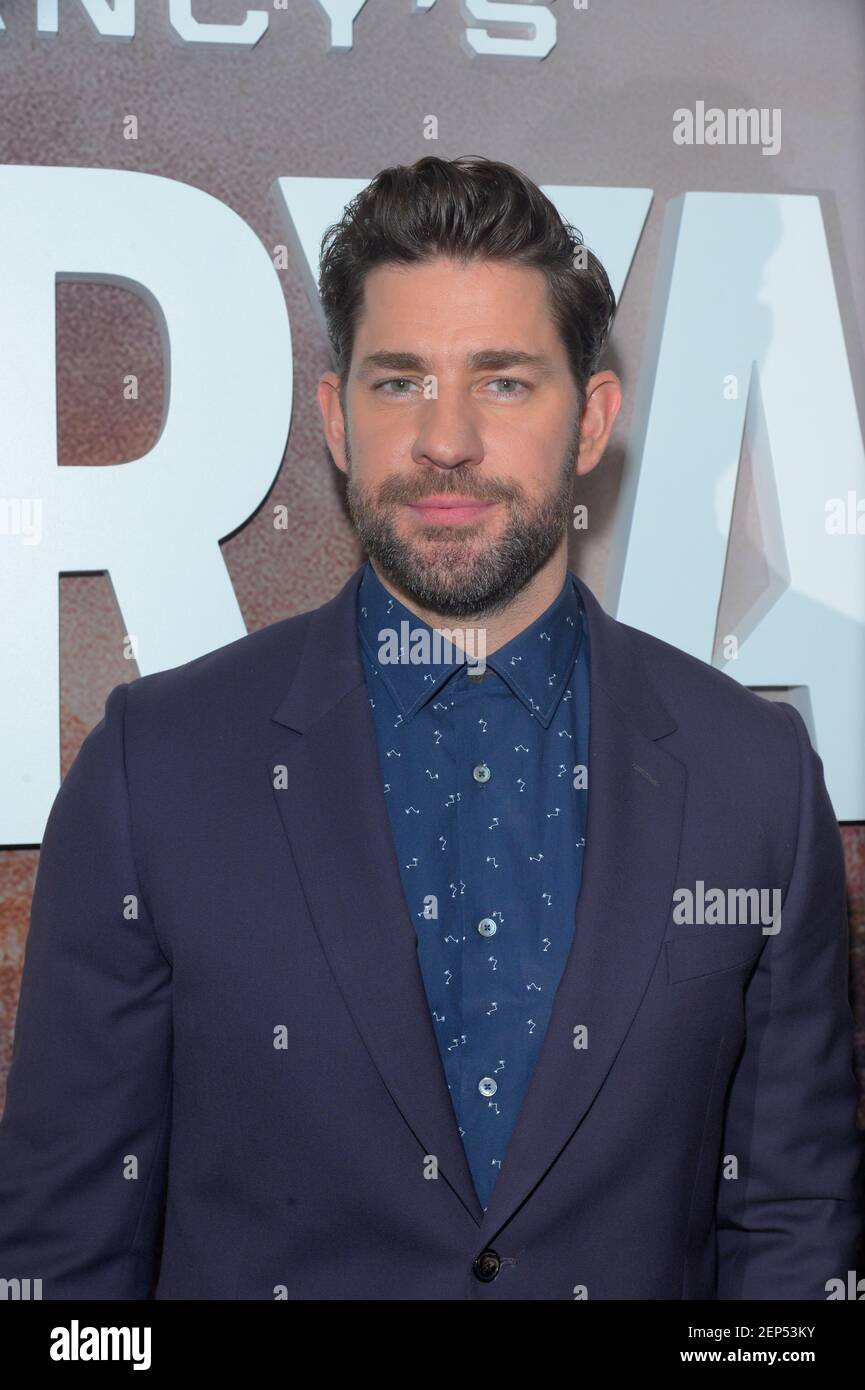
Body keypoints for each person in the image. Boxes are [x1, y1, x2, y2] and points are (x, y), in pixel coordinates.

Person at [0, 155, 861, 1300]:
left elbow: (793, 1231)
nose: (445, 440)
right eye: (399, 382)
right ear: (336, 421)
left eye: (503, 382)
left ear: (592, 418)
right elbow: (64, 1266)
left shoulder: (751, 779)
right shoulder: (153, 770)